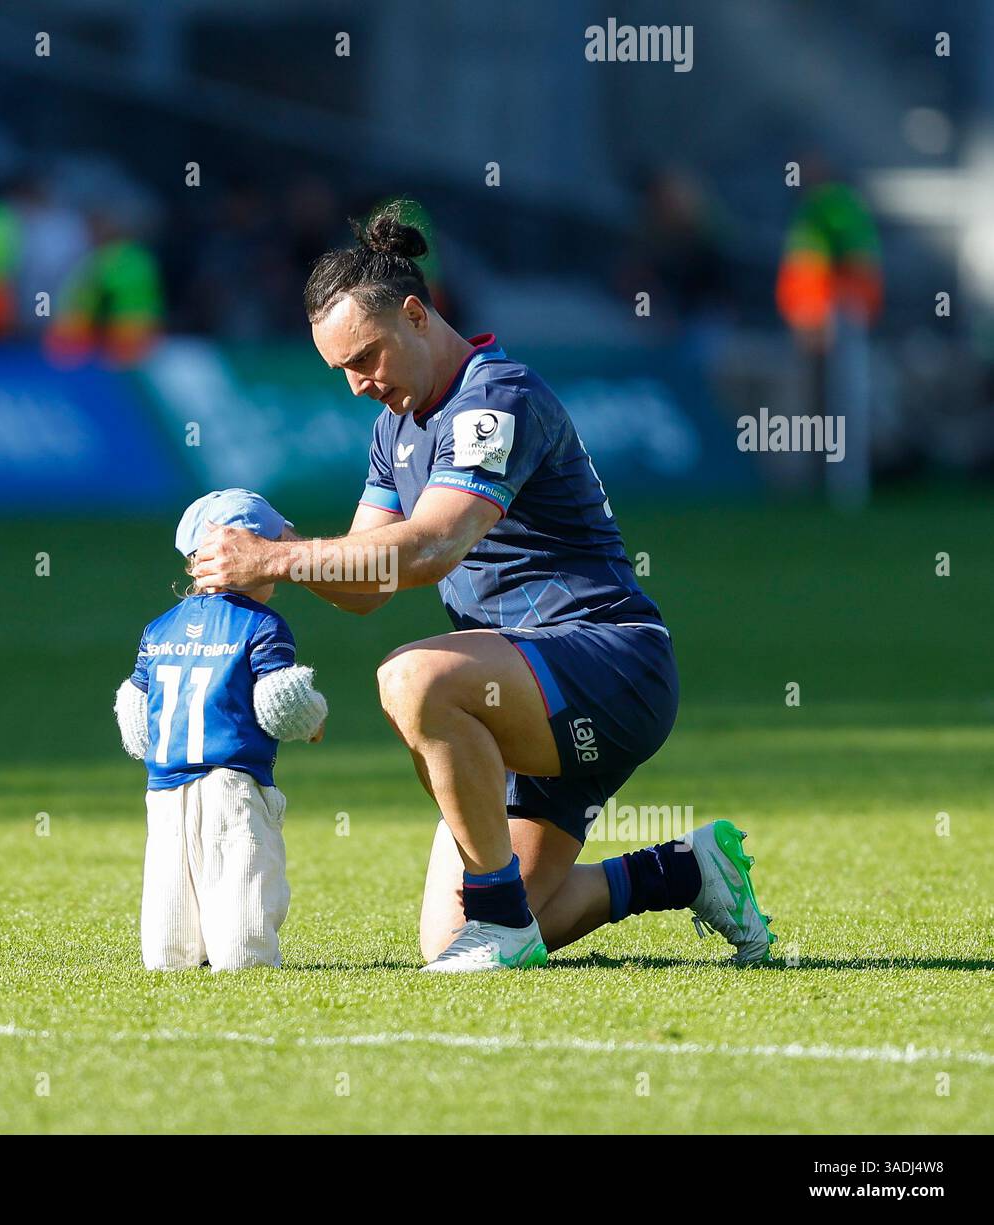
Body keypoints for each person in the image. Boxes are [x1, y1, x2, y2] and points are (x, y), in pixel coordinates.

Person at [191, 202, 775, 972]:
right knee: (451, 936)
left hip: (604, 665)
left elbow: (429, 548)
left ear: (416, 315)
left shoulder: (495, 400)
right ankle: (690, 871)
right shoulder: (394, 428)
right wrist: (287, 548)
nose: (359, 385)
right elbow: (369, 581)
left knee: (411, 679)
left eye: (366, 357)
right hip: (521, 695)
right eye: (343, 372)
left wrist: (276, 561)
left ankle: (501, 919)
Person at [114, 489, 328, 970]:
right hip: (232, 783)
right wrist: (313, 721)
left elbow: (134, 709)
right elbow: (280, 703)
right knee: (242, 885)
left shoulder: (159, 628)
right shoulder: (261, 625)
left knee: (171, 894)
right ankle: (243, 961)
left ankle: (172, 957)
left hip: (164, 788)